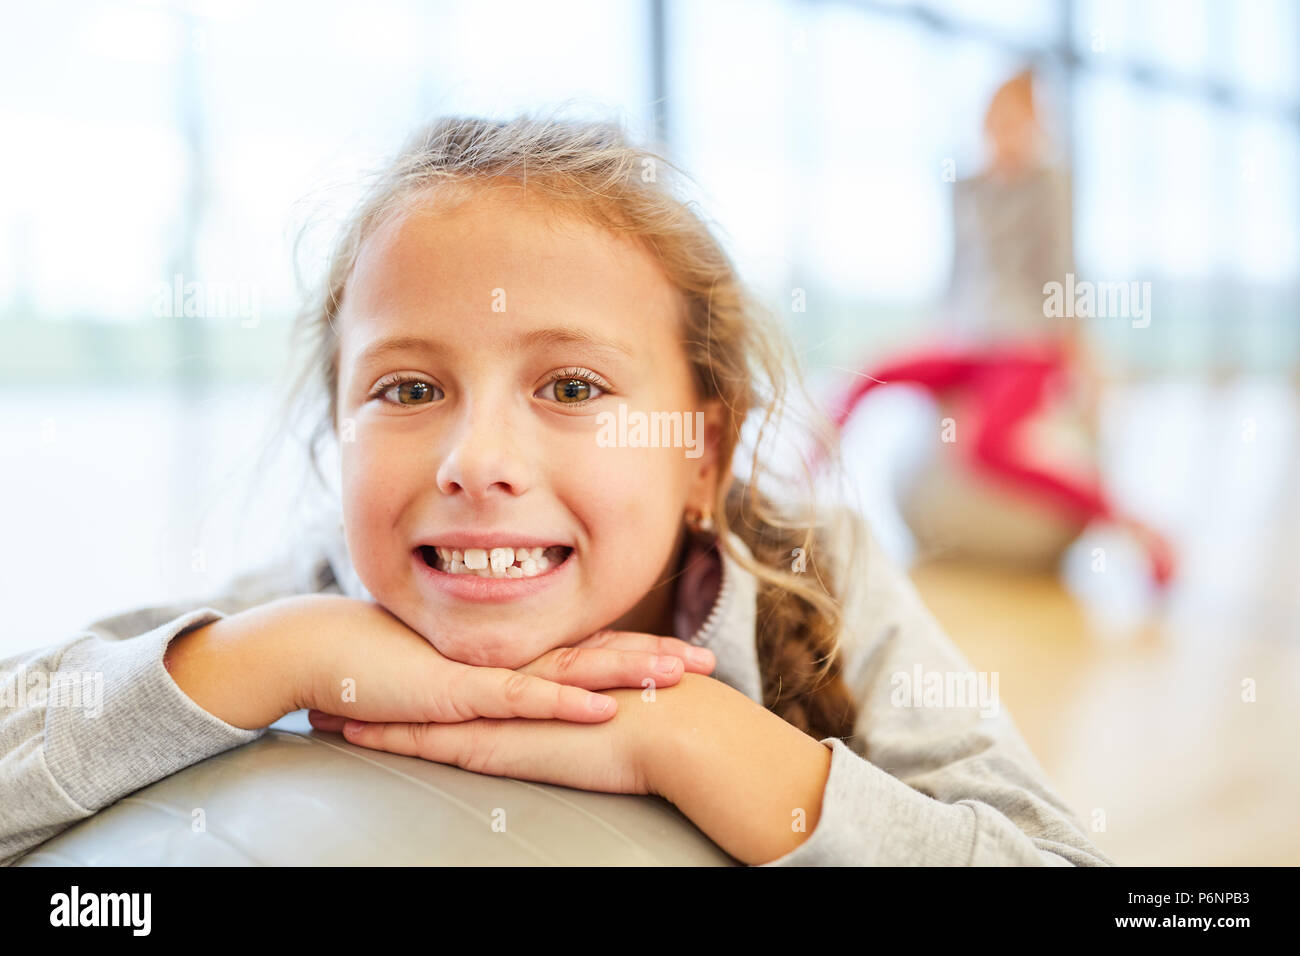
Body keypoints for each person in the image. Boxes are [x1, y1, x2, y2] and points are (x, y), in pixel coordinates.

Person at [0, 113, 1112, 866]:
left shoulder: (821, 584)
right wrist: (269, 654)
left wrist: (694, 740)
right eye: (408, 386)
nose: (476, 460)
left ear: (700, 456)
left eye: (571, 384)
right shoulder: (313, 592)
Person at [826, 70, 1174, 586]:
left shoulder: (1050, 184)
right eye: (998, 121)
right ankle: (796, 488)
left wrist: (1082, 359)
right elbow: (956, 273)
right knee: (867, 374)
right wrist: (934, 340)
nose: (1005, 133)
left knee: (988, 445)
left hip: (1028, 348)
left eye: (1018, 122)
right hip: (966, 342)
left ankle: (1134, 526)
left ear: (1036, 126)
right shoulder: (965, 187)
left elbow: (1062, 272)